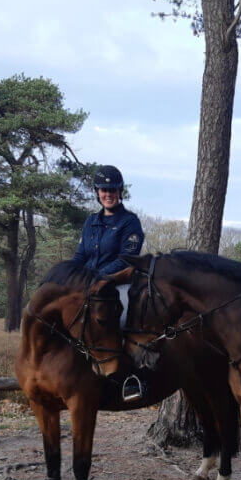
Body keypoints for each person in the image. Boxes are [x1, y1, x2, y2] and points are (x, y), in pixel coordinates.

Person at [71, 165, 145, 401]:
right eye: (104, 190)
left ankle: (131, 378)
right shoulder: (90, 222)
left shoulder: (130, 222)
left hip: (117, 284)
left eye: (112, 190)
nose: (108, 194)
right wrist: (69, 274)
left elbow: (126, 258)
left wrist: (96, 277)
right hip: (88, 286)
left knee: (123, 319)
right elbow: (80, 255)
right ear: (97, 192)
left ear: (119, 192)